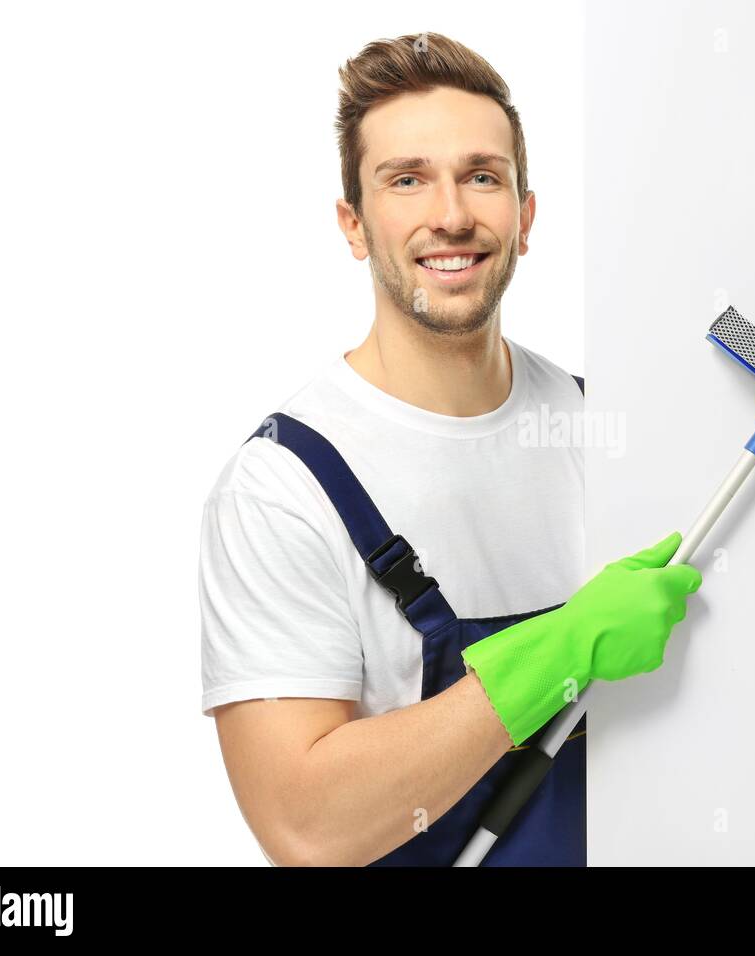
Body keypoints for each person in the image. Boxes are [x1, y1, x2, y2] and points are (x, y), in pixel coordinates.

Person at [198, 31, 701, 867]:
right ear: (353, 225)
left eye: (481, 176)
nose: (453, 215)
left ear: (525, 215)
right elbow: (306, 825)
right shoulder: (283, 489)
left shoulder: (615, 433)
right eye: (407, 180)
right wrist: (563, 648)